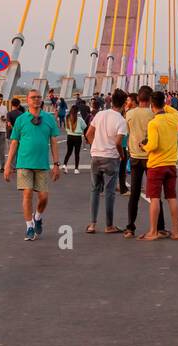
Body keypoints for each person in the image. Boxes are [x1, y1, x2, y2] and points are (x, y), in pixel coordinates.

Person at [4, 89, 62, 241]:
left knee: (43, 197)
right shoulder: (21, 120)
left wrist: (56, 164)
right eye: (32, 97)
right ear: (27, 100)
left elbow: (54, 142)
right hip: (24, 163)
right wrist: (8, 165)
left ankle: (38, 217)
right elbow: (14, 142)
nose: (36, 100)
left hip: (42, 164)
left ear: (41, 100)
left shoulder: (49, 119)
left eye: (38, 97)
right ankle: (29, 226)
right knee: (27, 193)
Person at [123, 86, 166, 238]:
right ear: (150, 100)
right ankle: (160, 227)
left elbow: (127, 132)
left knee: (134, 193)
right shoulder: (153, 114)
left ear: (138, 98)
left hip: (134, 156)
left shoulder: (129, 114)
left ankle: (130, 228)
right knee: (155, 194)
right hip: (151, 157)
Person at [139, 90, 178, 242]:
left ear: (151, 105)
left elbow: (153, 145)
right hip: (171, 164)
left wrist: (143, 146)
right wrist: (165, 104)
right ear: (164, 102)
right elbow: (172, 110)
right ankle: (176, 232)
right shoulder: (174, 118)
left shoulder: (154, 123)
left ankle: (153, 231)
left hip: (156, 165)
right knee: (172, 197)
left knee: (155, 198)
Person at [85, 88, 127, 234]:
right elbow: (118, 143)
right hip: (111, 158)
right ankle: (109, 226)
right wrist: (121, 155)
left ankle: (92, 224)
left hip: (96, 156)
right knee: (109, 192)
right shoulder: (121, 121)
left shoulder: (100, 114)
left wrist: (94, 147)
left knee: (94, 190)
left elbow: (88, 133)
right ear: (124, 104)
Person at [62, 102, 86, 173]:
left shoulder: (67, 118)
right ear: (77, 111)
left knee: (69, 152)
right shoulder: (80, 119)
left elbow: (66, 127)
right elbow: (84, 127)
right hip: (77, 137)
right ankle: (76, 169)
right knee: (77, 153)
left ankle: (65, 164)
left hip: (69, 136)